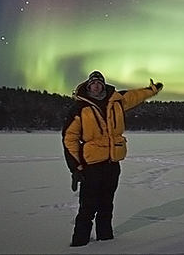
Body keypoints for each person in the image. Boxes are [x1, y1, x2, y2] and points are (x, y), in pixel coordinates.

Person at [62, 70, 163, 247]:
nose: (96, 86)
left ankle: (106, 241)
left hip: (112, 163)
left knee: (106, 205)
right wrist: (75, 167)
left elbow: (135, 96)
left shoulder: (117, 100)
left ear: (103, 85)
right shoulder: (79, 108)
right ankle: (79, 244)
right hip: (91, 165)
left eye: (99, 83)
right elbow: (70, 138)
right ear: (88, 86)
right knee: (87, 207)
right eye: (93, 83)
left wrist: (152, 90)